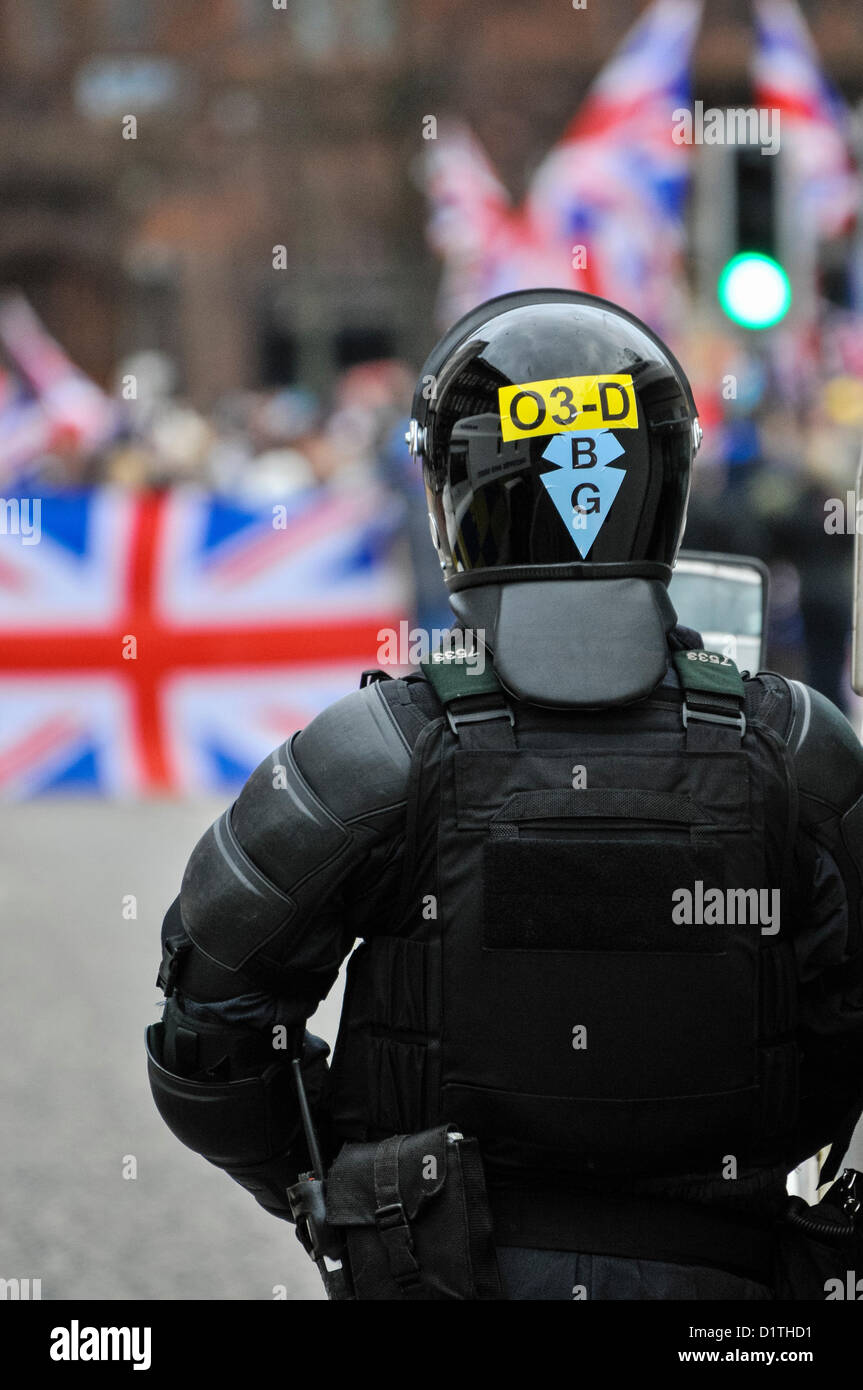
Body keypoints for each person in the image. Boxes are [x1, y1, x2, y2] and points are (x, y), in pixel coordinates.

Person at [147, 290, 863, 1300]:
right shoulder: (800, 752)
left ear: (451, 490)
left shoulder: (375, 755)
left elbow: (207, 1024)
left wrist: (345, 1195)